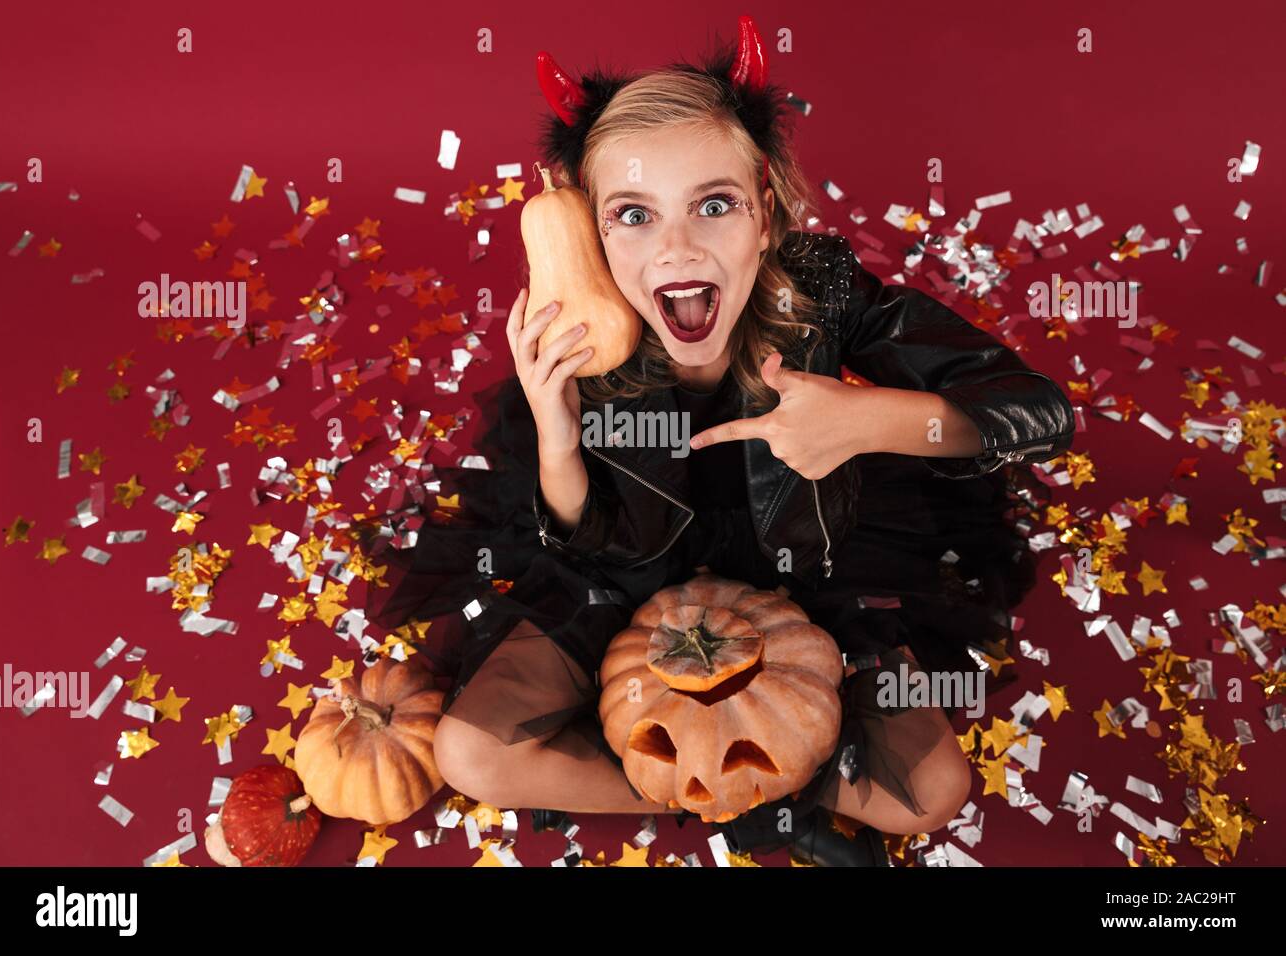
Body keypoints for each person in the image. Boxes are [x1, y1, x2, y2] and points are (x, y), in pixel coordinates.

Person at [352, 16, 1075, 865]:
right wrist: (556, 431)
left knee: (931, 793)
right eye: (634, 214)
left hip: (811, 572)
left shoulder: (823, 289)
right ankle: (756, 805)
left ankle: (735, 783)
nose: (678, 247)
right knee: (472, 753)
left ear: (765, 216)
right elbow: (591, 540)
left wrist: (865, 420)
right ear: (593, 233)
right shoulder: (587, 332)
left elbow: (1040, 413)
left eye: (714, 204)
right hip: (628, 578)